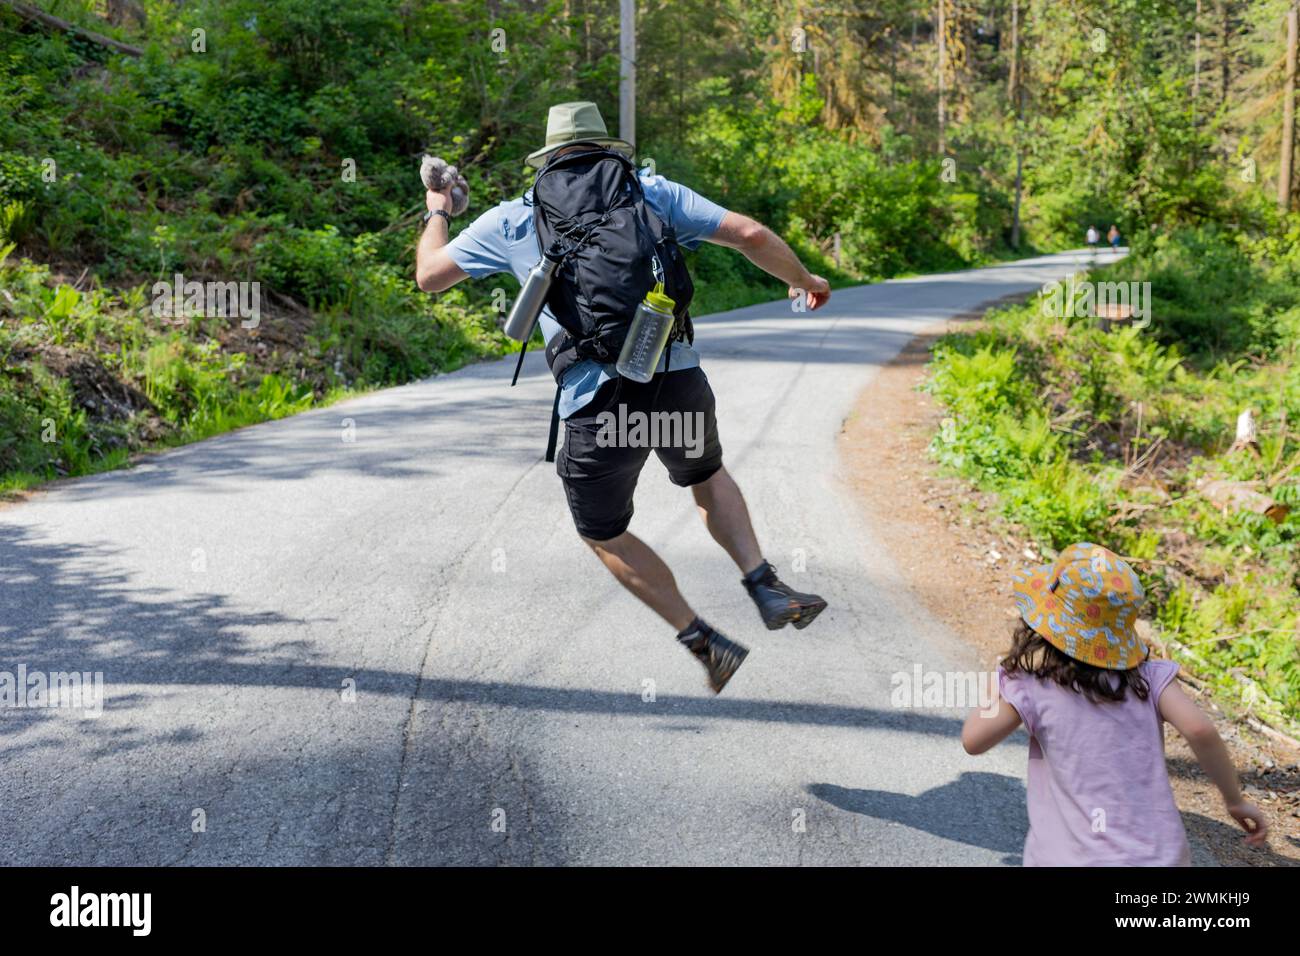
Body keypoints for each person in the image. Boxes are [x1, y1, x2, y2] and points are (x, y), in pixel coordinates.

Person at [415, 102, 830, 694]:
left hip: (597, 405)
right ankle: (765, 584)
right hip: (675, 382)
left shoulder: (514, 219)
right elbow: (750, 234)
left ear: (548, 157)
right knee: (707, 476)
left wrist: (439, 212)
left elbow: (429, 275)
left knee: (603, 532)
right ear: (607, 148)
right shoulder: (650, 192)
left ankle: (704, 642)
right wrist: (805, 281)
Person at [961, 542, 1268, 866]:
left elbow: (973, 740)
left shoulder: (1032, 687)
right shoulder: (1150, 679)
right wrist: (1234, 801)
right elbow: (1199, 729)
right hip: (1159, 857)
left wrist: (1000, 681)